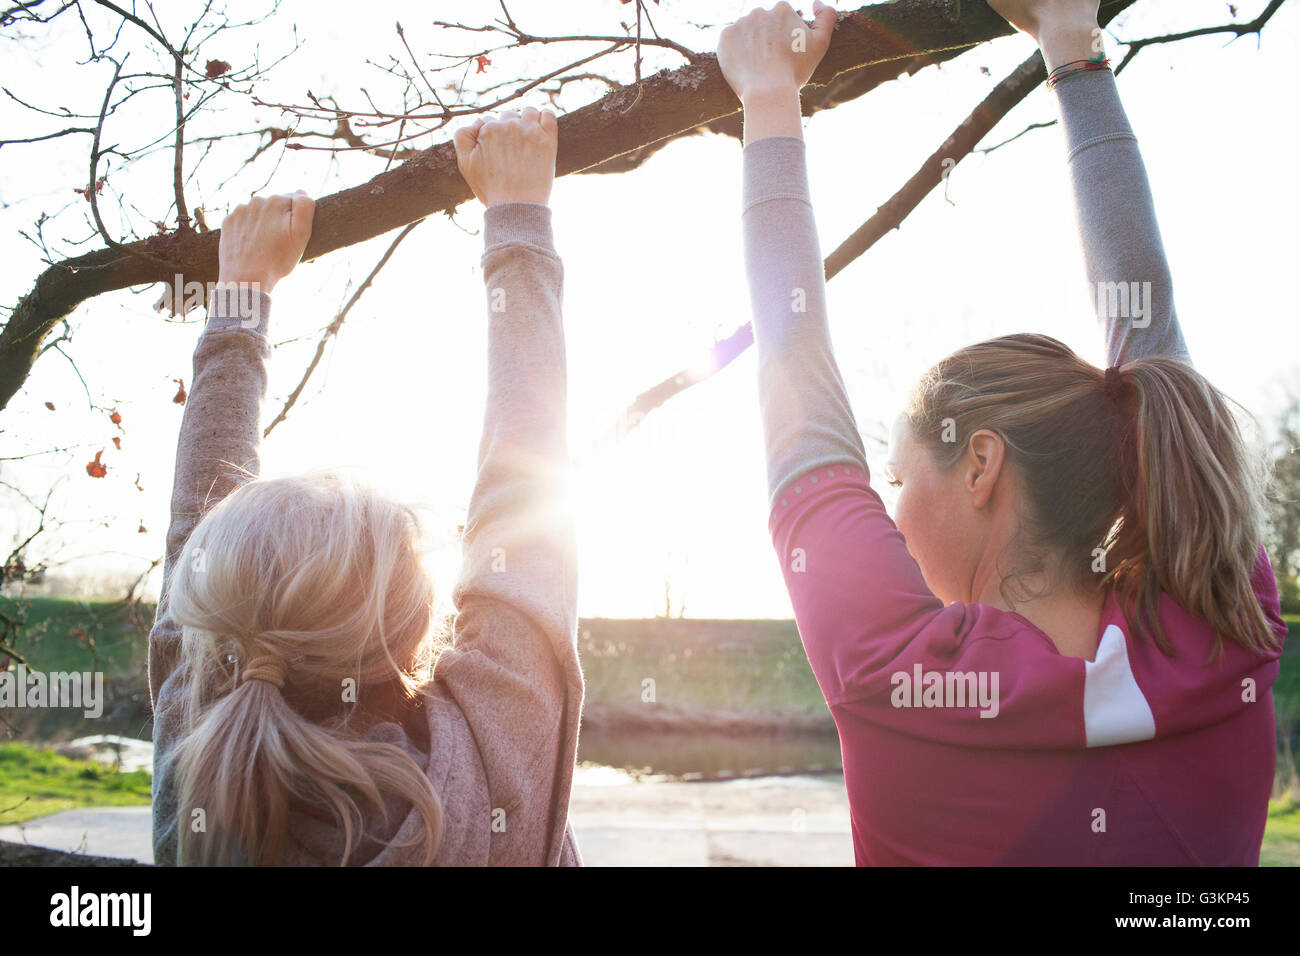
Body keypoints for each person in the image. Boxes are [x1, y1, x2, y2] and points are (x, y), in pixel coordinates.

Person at [718, 0, 1287, 864]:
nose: (890, 513)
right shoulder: (1222, 628)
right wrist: (1070, 44)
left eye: (900, 480)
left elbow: (794, 379)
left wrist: (766, 100)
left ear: (980, 463)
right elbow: (1152, 341)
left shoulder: (893, 672)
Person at [148, 107, 584, 865]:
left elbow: (197, 534)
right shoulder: (485, 770)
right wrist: (516, 221)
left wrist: (240, 295)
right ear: (414, 627)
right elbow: (529, 484)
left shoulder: (203, 781)